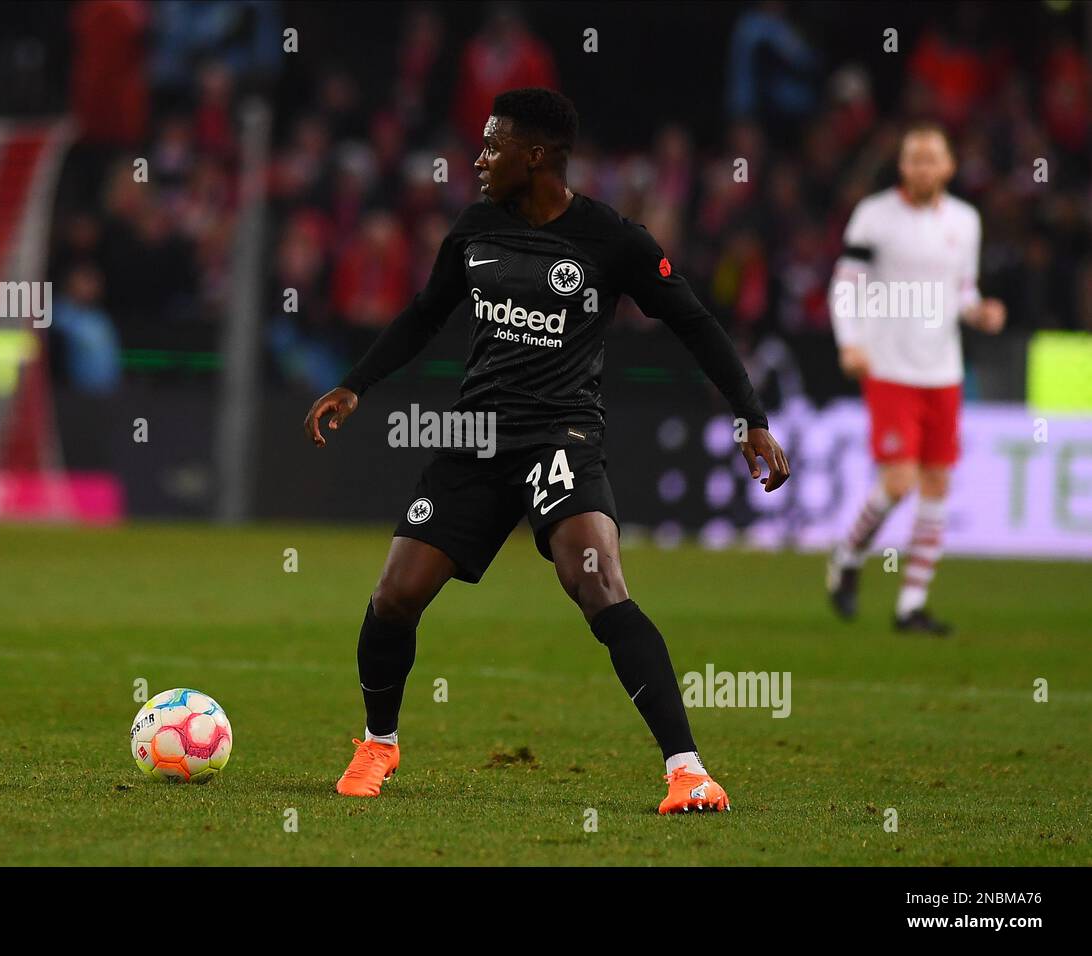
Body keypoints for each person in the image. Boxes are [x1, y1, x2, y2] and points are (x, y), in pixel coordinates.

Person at [304, 89, 790, 814]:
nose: (479, 158)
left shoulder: (613, 240)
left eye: (492, 146)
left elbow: (694, 323)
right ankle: (379, 742)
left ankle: (688, 770)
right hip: (475, 441)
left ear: (535, 156)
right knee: (395, 593)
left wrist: (751, 416)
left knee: (597, 584)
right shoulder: (474, 229)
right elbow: (424, 316)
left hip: (561, 437)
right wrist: (356, 385)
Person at [826, 123, 1006, 634]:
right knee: (900, 481)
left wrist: (980, 313)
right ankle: (847, 552)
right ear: (902, 165)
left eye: (932, 158)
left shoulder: (966, 221)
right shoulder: (874, 216)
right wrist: (850, 342)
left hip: (942, 369)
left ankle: (911, 605)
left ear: (949, 166)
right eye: (913, 158)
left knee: (937, 483)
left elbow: (963, 292)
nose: (922, 167)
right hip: (888, 364)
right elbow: (846, 285)